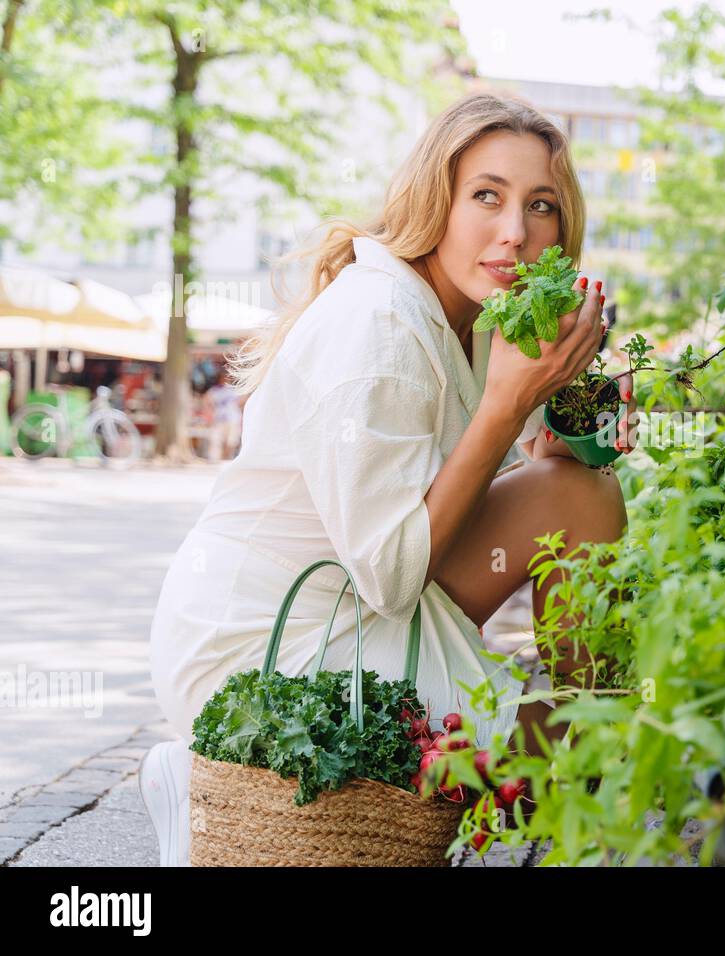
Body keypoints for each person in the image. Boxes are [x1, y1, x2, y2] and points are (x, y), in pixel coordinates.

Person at [139, 92, 639, 865]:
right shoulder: (378, 323)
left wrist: (576, 423)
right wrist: (505, 407)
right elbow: (394, 575)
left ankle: (590, 767)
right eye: (487, 196)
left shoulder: (474, 318)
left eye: (541, 206)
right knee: (542, 761)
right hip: (263, 646)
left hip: (355, 607)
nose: (515, 231)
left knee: (584, 495)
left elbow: (543, 492)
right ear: (435, 200)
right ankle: (209, 793)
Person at [202, 368, 243, 461]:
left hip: (233, 418)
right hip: (219, 418)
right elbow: (206, 402)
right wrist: (210, 413)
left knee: (231, 441)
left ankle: (227, 459)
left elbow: (242, 400)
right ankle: (215, 460)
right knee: (216, 440)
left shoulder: (235, 389)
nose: (225, 379)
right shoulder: (214, 390)